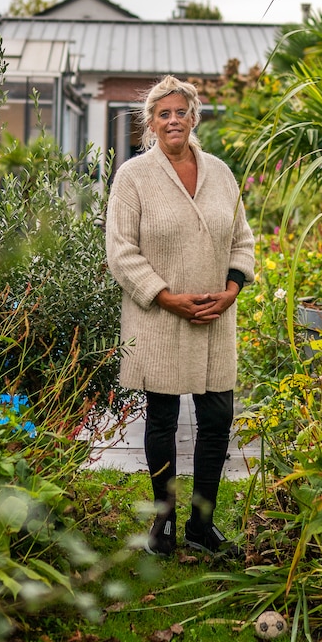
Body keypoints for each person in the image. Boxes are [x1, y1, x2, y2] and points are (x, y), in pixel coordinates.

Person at [105, 76, 255, 557]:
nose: (173, 120)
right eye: (163, 113)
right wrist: (165, 296)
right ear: (150, 122)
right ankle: (162, 523)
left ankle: (202, 525)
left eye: (181, 112)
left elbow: (242, 239)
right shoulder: (133, 177)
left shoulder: (221, 174)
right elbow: (121, 251)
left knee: (217, 418)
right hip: (160, 321)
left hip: (214, 318)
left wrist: (231, 290)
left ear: (195, 118)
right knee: (163, 420)